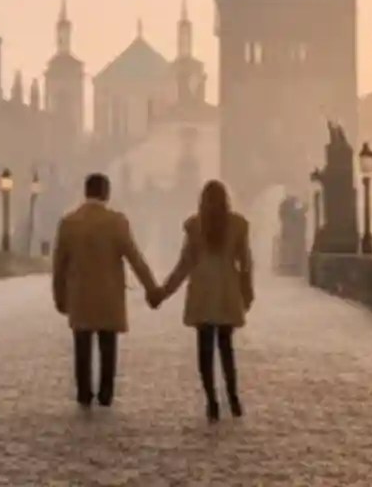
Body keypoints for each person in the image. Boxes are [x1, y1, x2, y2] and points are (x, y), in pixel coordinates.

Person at [150, 180, 254, 422]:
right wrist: (247, 291)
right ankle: (233, 397)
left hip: (203, 289)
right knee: (226, 347)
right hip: (227, 287)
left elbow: (184, 265)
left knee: (205, 350)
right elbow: (246, 263)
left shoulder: (196, 226)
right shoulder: (237, 225)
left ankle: (212, 402)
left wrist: (163, 292)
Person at [52, 173, 158, 408]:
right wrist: (152, 288)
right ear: (106, 193)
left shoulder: (69, 222)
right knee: (108, 346)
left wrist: (59, 296)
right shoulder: (117, 222)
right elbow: (135, 258)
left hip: (79, 295)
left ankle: (84, 392)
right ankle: (106, 392)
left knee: (82, 346)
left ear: (86, 191)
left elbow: (59, 265)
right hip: (109, 295)